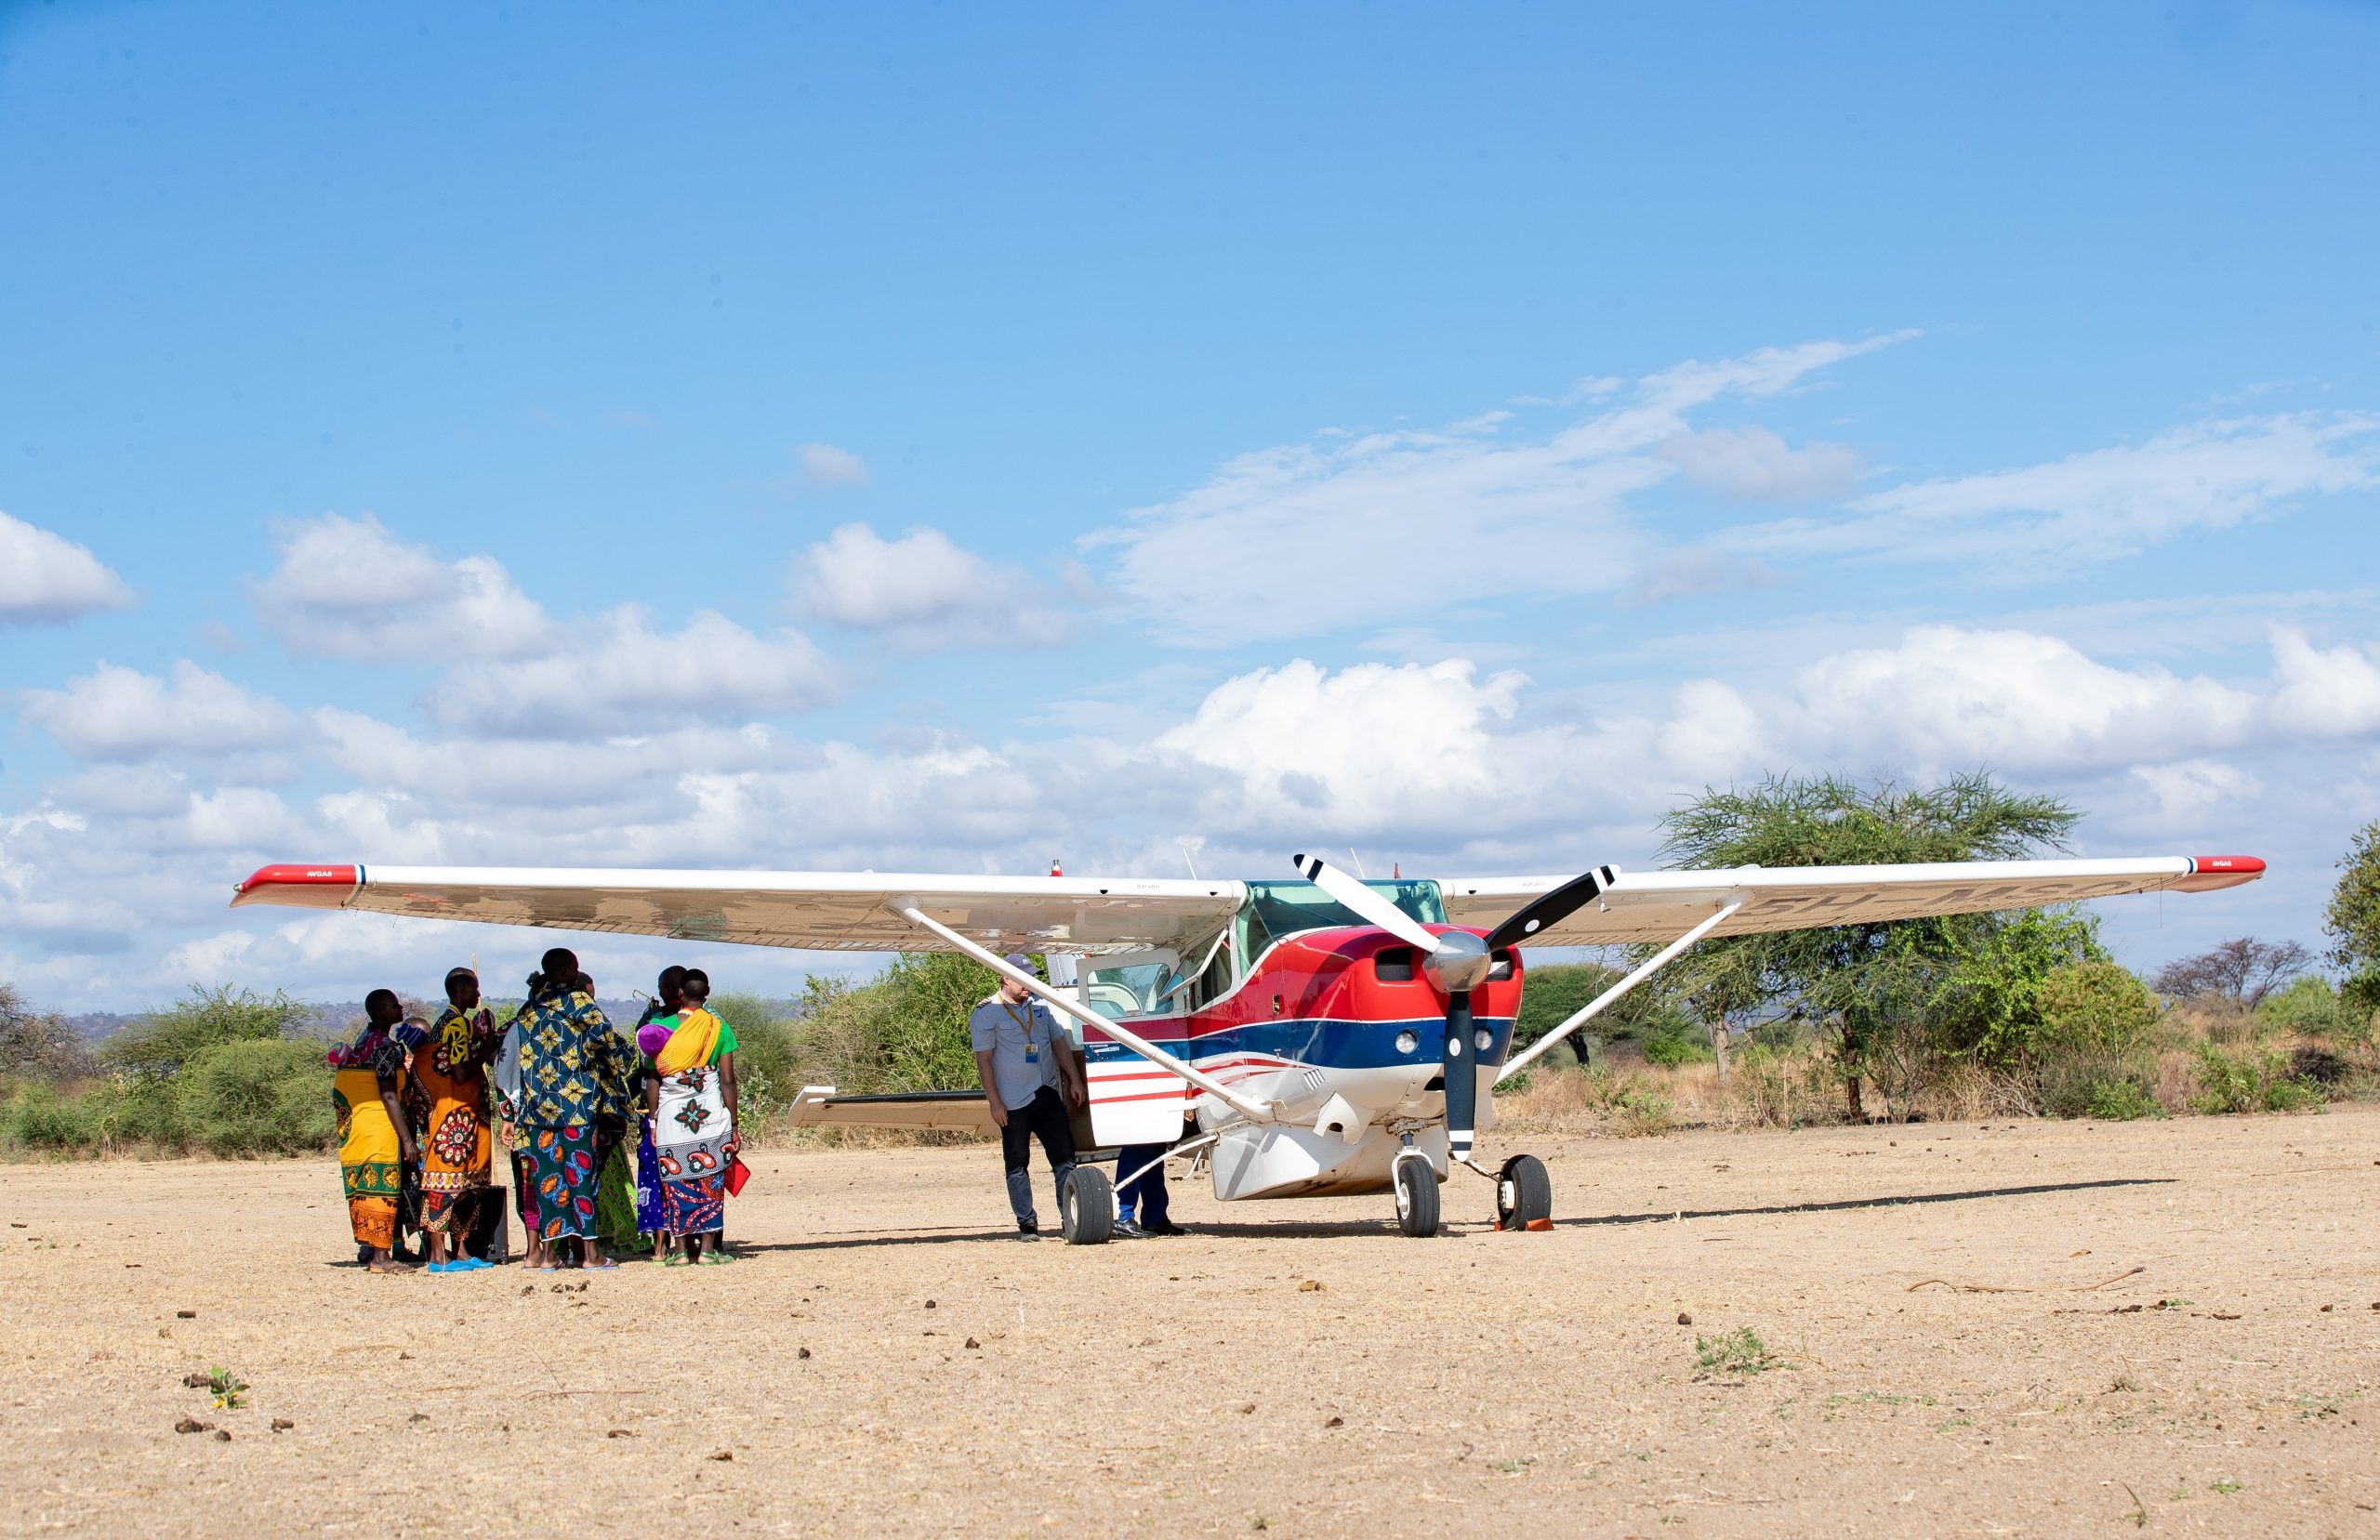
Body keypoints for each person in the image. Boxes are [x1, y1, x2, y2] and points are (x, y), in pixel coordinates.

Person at [513, 948, 623, 1270]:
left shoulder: (528, 1009)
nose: (577, 973)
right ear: (563, 970)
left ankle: (548, 1256)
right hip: (577, 1107)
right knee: (581, 1177)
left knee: (548, 1180)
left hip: (537, 1109)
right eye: (574, 967)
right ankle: (590, 1255)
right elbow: (612, 1045)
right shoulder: (580, 1003)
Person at [968, 954, 1086, 1240]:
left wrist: (1075, 1079)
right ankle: (1027, 1223)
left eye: (1032, 977)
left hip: (1046, 1093)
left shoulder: (1042, 1007)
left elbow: (1059, 1044)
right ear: (1006, 978)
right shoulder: (986, 1012)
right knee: (1017, 1163)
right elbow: (983, 1060)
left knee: (1065, 1160)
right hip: (1012, 1101)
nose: (1030, 984)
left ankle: (1068, 1217)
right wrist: (994, 1101)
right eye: (1024, 978)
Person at [645, 969, 740, 1264]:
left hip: (672, 1113)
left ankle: (680, 1251)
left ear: (680, 996)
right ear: (707, 994)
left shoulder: (659, 1028)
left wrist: (652, 1120)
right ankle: (709, 1251)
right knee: (710, 1178)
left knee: (675, 1178)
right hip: (710, 1109)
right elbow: (727, 1080)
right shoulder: (719, 1028)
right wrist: (734, 1122)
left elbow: (652, 1080)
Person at [410, 967, 501, 1273]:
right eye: (474, 989)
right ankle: (438, 1256)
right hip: (454, 1116)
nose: (478, 995)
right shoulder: (456, 1025)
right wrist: (487, 1048)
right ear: (461, 990)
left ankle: (460, 1251)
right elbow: (460, 1072)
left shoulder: (448, 1025)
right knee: (444, 1183)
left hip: (461, 1115)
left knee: (464, 1185)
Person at [332, 989, 417, 1273]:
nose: (401, 1007)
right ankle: (381, 1257)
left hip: (360, 1128)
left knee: (369, 1187)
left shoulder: (365, 1040)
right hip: (378, 1127)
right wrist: (407, 1140)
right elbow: (389, 1095)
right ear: (381, 1012)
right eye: (395, 1005)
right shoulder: (381, 1045)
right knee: (383, 1186)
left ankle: (374, 1248)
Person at [633, 966, 688, 1261]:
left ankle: (660, 1246)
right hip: (693, 1111)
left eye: (663, 987)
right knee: (688, 1174)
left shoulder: (654, 1021)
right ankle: (698, 1243)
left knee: (656, 1176)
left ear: (673, 990)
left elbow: (648, 1069)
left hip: (660, 1107)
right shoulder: (708, 1021)